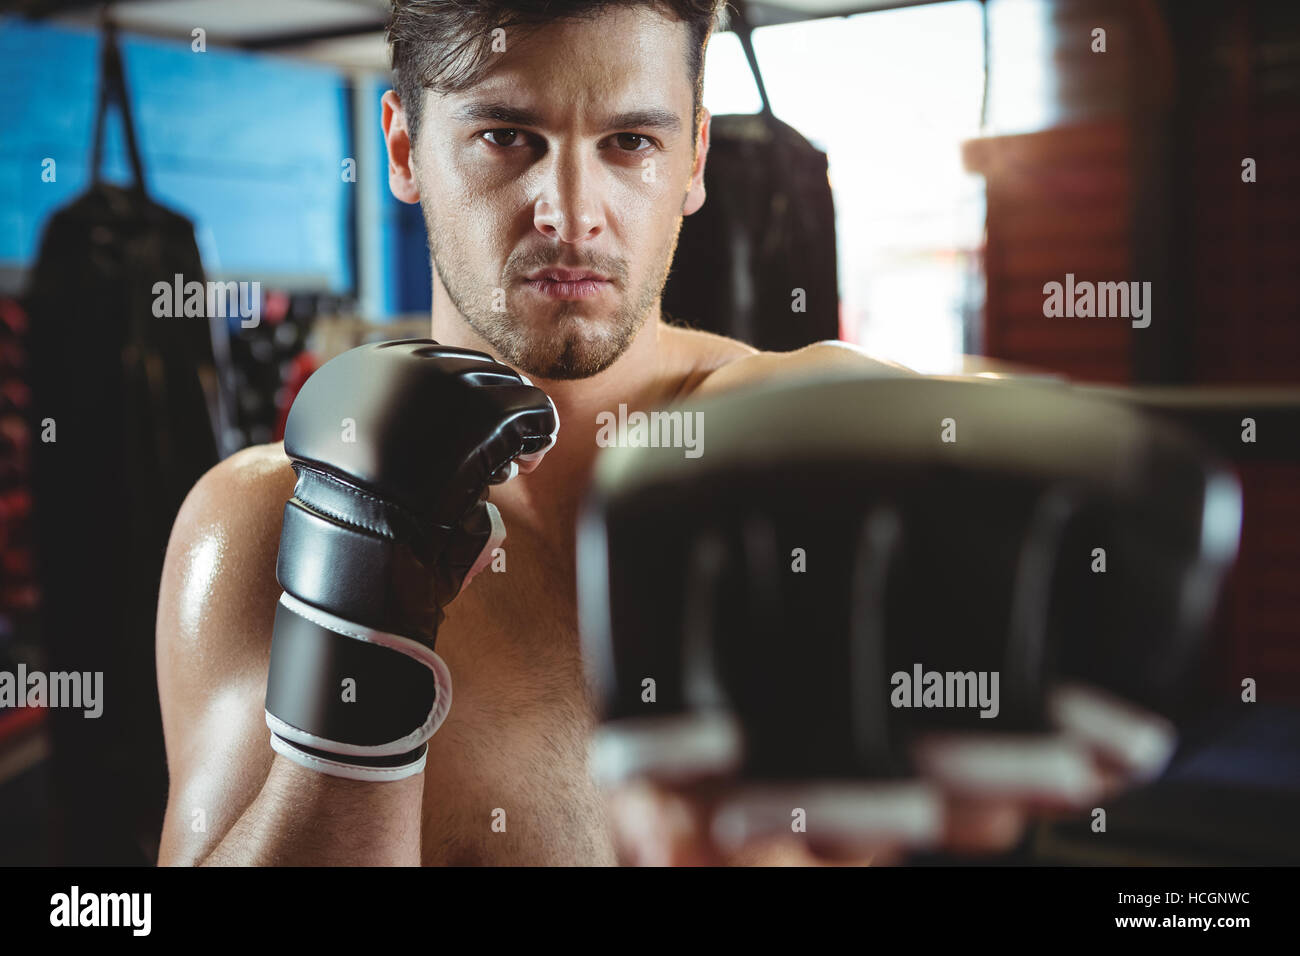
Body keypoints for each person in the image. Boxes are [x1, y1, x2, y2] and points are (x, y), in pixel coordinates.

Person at [156, 0, 1152, 866]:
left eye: (629, 142)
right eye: (507, 136)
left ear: (693, 161)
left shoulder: (823, 451)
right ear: (405, 149)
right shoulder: (263, 524)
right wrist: (352, 668)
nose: (571, 213)